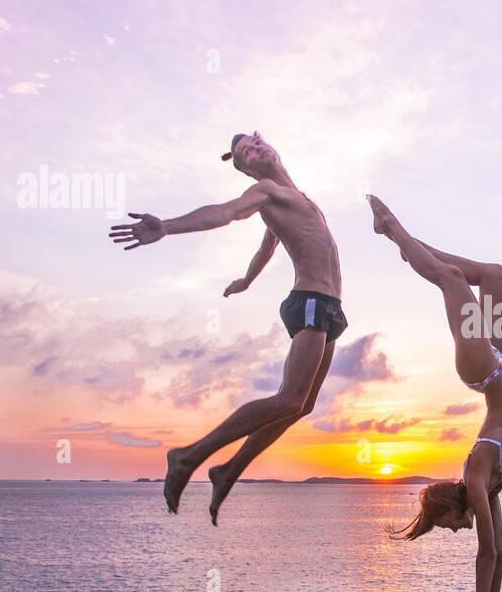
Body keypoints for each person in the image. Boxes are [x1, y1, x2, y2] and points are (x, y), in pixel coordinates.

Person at [109, 131, 345, 523]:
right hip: (310, 303)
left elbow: (268, 246)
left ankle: (228, 470)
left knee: (302, 406)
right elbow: (226, 212)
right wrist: (166, 226)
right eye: (245, 154)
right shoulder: (265, 191)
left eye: (254, 143)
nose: (255, 150)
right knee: (288, 399)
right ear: (246, 170)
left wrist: (247, 281)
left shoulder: (297, 198)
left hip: (330, 307)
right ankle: (187, 457)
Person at [368, 195, 502, 592]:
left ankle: (394, 230)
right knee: (493, 273)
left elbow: (486, 551)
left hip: (483, 370)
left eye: (447, 524)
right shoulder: (487, 489)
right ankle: (407, 245)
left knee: (452, 277)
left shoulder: (476, 474)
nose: (457, 529)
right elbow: (499, 550)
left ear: (451, 505)